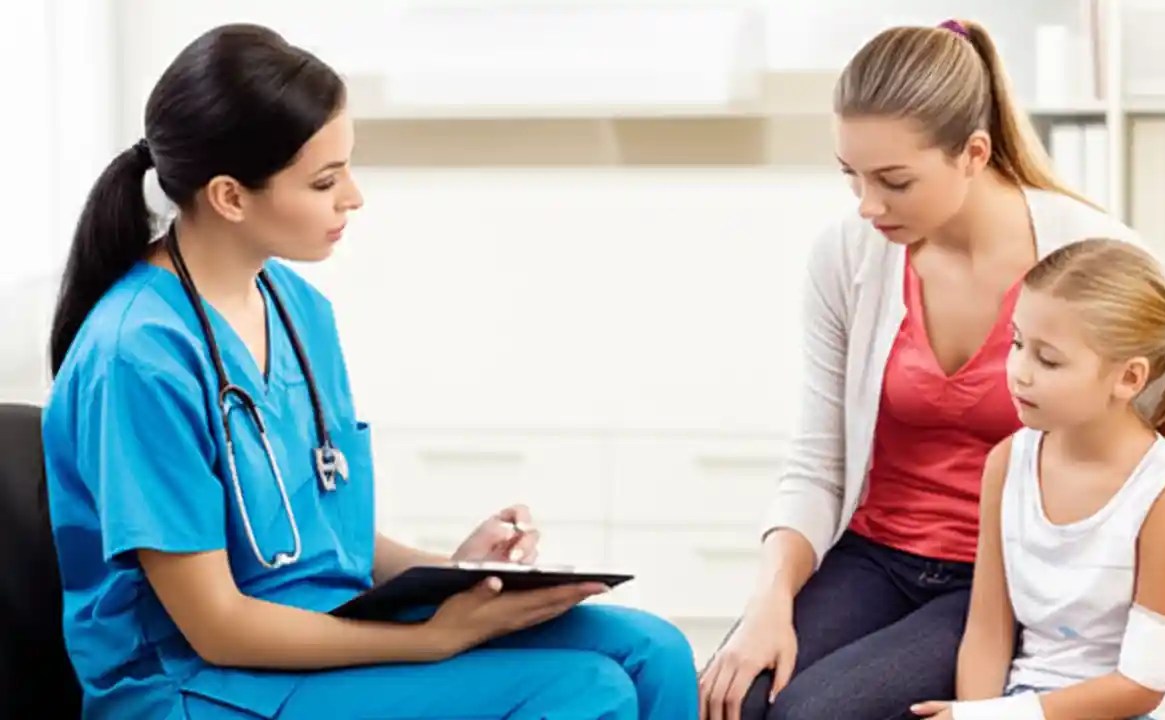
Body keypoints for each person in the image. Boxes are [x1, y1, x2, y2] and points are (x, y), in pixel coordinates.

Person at [42, 24, 696, 720]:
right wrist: (430, 641)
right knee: (584, 690)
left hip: (324, 623)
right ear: (230, 196)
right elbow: (218, 626)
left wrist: (452, 576)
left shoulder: (295, 309)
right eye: (325, 181)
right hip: (197, 682)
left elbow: (317, 534)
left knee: (653, 652)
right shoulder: (138, 357)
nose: (353, 196)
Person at [697, 18, 1165, 720]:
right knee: (733, 699)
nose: (867, 205)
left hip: (998, 579)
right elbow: (816, 463)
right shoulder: (847, 256)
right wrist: (767, 602)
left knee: (812, 714)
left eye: (894, 181)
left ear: (974, 153)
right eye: (851, 176)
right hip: (872, 554)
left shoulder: (1090, 257)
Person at [910, 238, 1165, 720]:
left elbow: (1143, 685)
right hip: (1029, 698)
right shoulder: (1007, 462)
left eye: (1048, 360)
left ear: (1129, 378)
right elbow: (988, 631)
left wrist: (988, 718)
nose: (1019, 373)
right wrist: (976, 714)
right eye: (1016, 344)